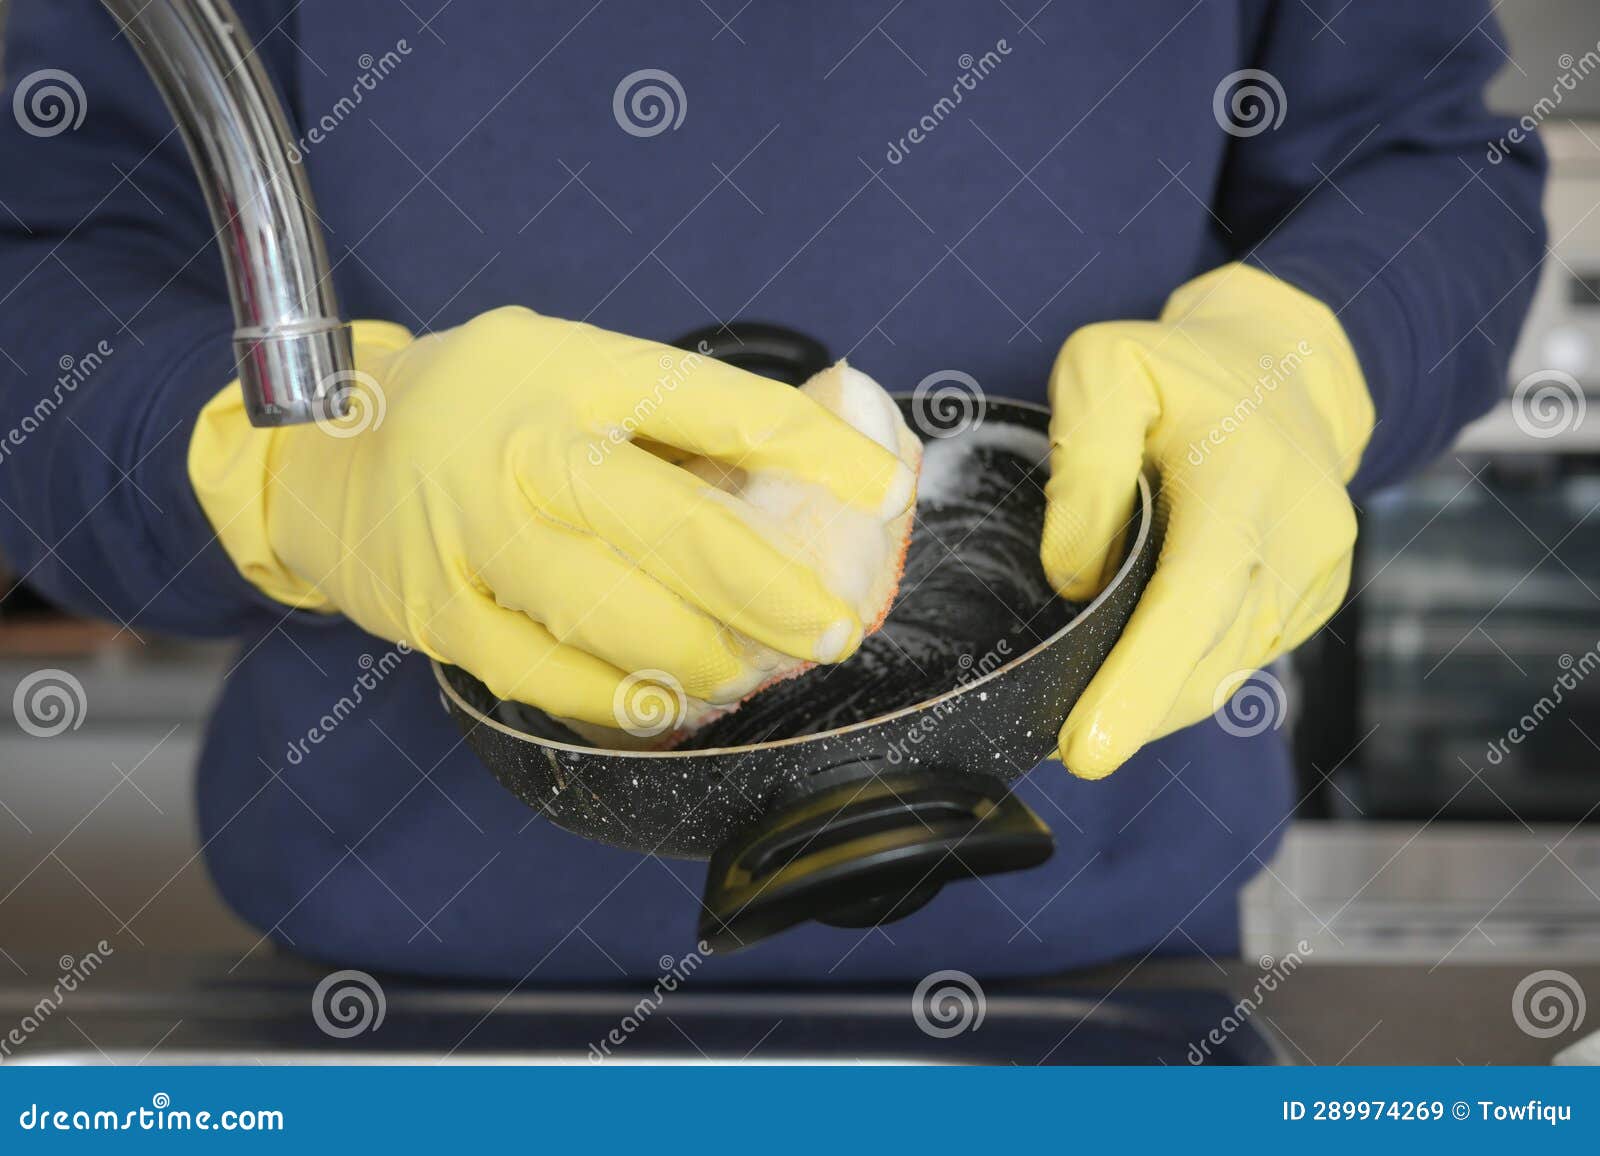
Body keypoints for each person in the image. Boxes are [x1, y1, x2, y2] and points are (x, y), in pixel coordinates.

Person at [0, 1, 1544, 981]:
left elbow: (1427, 167)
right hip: (401, 1008)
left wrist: (1305, 361)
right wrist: (288, 460)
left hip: (1116, 998)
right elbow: (47, 257)